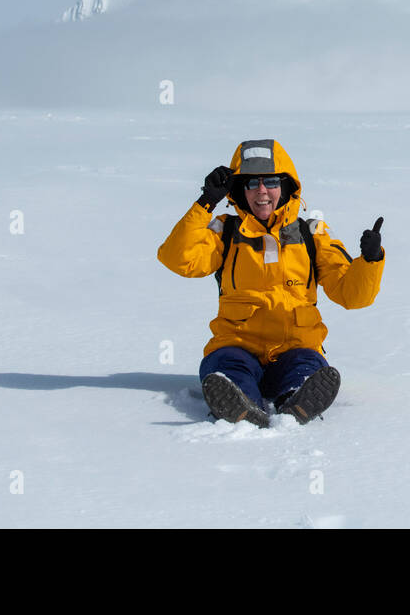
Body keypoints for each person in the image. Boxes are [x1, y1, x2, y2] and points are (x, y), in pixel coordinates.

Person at [157, 139, 385, 427]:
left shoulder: (311, 235)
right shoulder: (225, 231)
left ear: (287, 187)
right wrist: (205, 203)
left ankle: (297, 399)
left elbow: (353, 297)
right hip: (237, 344)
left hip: (295, 346)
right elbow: (177, 259)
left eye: (272, 182)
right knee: (226, 365)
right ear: (239, 190)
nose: (262, 191)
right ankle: (240, 401)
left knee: (305, 366)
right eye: (252, 183)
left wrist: (371, 260)